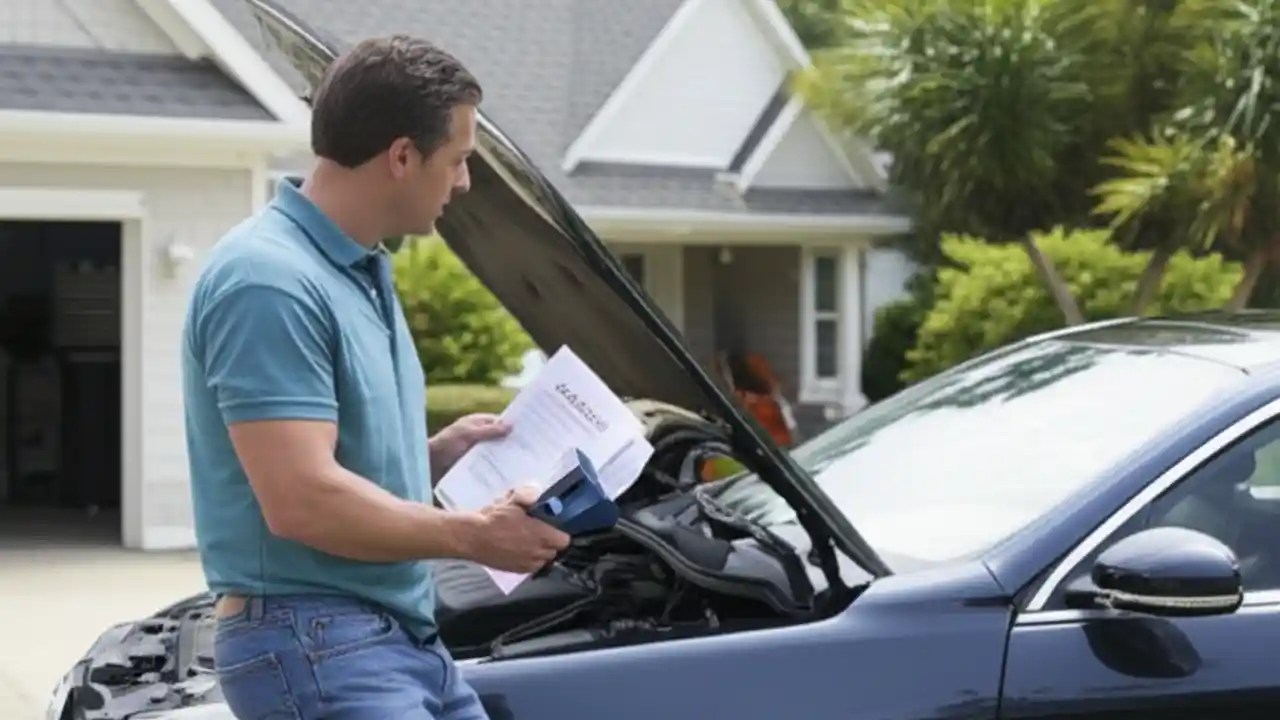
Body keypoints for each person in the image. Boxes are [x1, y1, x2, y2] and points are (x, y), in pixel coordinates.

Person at [180, 35, 570, 719]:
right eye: (458, 160)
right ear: (401, 157)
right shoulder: (268, 280)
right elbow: (300, 500)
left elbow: (322, 469)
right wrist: (474, 533)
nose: (464, 181)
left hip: (392, 637)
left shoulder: (357, 271)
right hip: (315, 640)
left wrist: (430, 458)